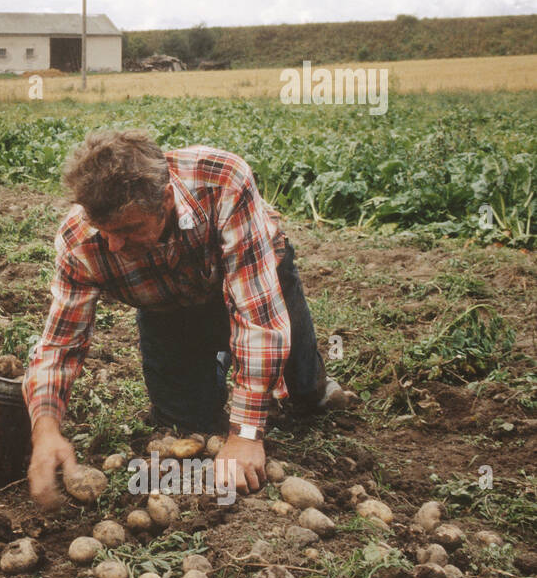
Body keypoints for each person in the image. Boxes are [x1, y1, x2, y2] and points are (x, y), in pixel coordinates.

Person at [23, 129, 356, 505]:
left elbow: (257, 316)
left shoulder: (222, 179)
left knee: (305, 392)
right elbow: (59, 345)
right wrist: (46, 427)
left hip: (252, 279)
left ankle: (294, 378)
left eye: (130, 230)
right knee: (186, 423)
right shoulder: (78, 241)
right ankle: (227, 364)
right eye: (106, 232)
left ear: (165, 199)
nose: (114, 245)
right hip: (167, 310)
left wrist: (246, 435)